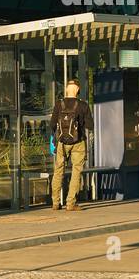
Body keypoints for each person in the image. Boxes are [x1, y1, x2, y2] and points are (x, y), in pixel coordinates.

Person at [49, 79, 92, 212]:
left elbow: (52, 125)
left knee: (58, 171)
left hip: (62, 143)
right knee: (76, 171)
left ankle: (55, 202)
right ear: (78, 89)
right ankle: (70, 203)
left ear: (66, 89)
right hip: (78, 142)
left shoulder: (58, 104)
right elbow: (90, 126)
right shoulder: (83, 105)